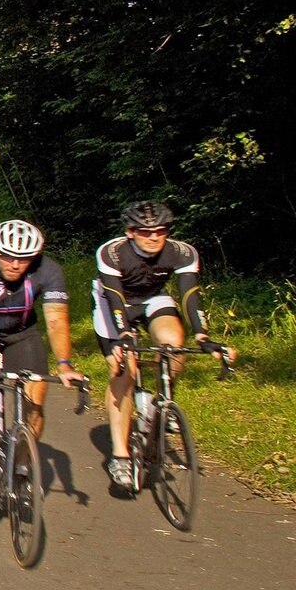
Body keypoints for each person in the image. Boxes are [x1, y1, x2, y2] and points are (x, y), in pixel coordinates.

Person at [93, 200, 237, 490]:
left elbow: (189, 294)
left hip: (153, 299)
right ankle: (120, 456)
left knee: (174, 344)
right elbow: (114, 296)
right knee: (125, 368)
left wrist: (202, 335)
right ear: (130, 232)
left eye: (160, 231)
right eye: (146, 232)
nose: (154, 237)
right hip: (113, 303)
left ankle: (158, 405)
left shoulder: (182, 252)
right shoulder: (112, 252)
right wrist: (124, 334)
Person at [0, 219, 85, 475]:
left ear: (35, 257)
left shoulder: (49, 270)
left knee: (35, 398)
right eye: (8, 257)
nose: (15, 264)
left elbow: (56, 320)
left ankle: (22, 460)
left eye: (24, 259)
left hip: (23, 333)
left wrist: (64, 364)